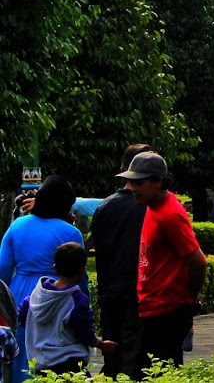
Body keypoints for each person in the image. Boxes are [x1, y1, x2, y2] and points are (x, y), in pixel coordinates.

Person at [119, 151, 206, 376]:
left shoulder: (169, 214)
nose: (132, 188)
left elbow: (198, 261)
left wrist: (190, 297)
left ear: (158, 182)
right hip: (152, 307)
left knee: (157, 373)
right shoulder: (152, 205)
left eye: (139, 182)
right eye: (130, 181)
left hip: (166, 310)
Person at [0, 177, 86, 382]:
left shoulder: (18, 225)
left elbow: (3, 269)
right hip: (59, 297)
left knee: (20, 354)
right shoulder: (71, 232)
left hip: (19, 295)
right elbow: (78, 275)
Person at [91, 143, 151, 379]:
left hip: (109, 295)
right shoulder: (148, 208)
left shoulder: (105, 206)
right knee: (137, 363)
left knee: (112, 361)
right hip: (138, 296)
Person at [18, 241, 114, 375]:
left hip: (40, 365)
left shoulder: (35, 297)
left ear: (55, 268)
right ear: (82, 270)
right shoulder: (76, 299)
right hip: (70, 364)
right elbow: (84, 331)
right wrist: (100, 344)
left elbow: (22, 316)